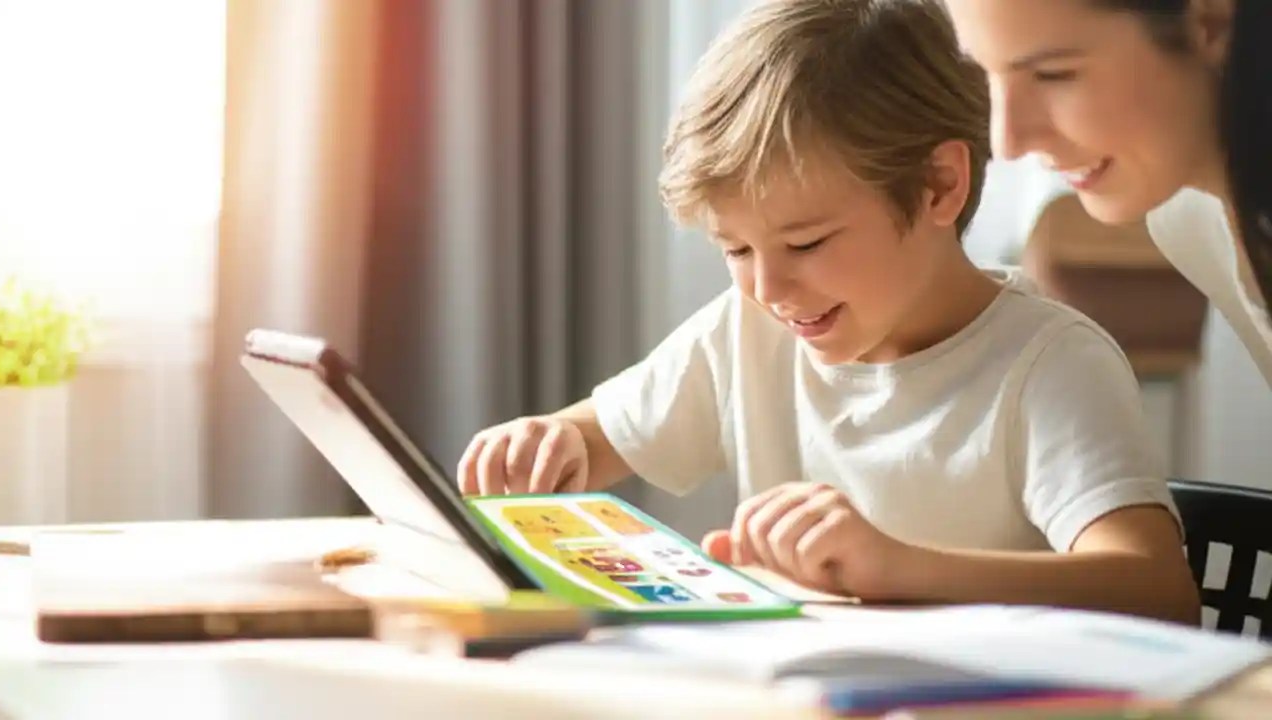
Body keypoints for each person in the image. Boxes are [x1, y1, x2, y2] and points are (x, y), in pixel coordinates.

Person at [458, 0, 1199, 623]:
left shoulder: (1050, 363)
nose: (767, 286)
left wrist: (898, 568)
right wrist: (550, 441)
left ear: (939, 186)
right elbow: (597, 436)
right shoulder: (748, 331)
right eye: (735, 249)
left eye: (806, 243)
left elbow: (1158, 591)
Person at [945, 0, 1272, 386]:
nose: (1006, 144)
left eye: (1053, 74)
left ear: (1211, 21)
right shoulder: (1189, 221)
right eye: (984, 75)